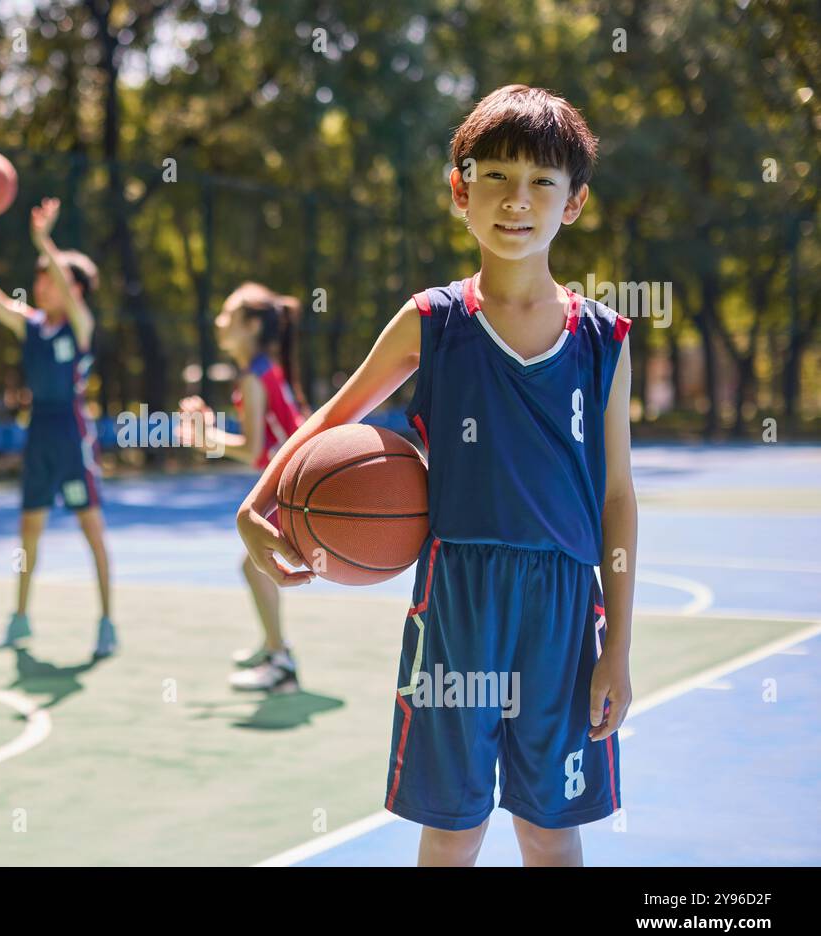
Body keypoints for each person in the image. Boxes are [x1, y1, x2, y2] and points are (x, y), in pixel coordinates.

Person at [235, 85, 636, 866]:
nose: (517, 200)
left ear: (575, 201)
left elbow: (617, 495)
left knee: (551, 829)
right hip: (455, 602)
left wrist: (617, 644)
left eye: (542, 182)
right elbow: (331, 417)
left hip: (562, 607)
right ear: (460, 190)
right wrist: (257, 505)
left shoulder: (604, 337)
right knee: (452, 825)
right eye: (495, 177)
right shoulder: (433, 320)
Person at [0, 197, 117, 659]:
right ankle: (20, 618)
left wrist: (43, 239)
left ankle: (107, 622)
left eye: (49, 277)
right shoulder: (30, 326)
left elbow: (70, 296)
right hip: (40, 433)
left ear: (73, 288)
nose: (41, 284)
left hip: (72, 433)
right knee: (29, 530)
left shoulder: (81, 325)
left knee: (91, 528)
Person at [179, 282, 307, 693]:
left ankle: (280, 659)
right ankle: (275, 649)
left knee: (253, 564)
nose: (218, 321)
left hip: (294, 482)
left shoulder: (256, 376)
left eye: (227, 314)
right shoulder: (263, 369)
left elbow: (254, 450)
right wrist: (210, 436)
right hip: (294, 478)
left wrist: (208, 436)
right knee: (254, 565)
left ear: (251, 325)